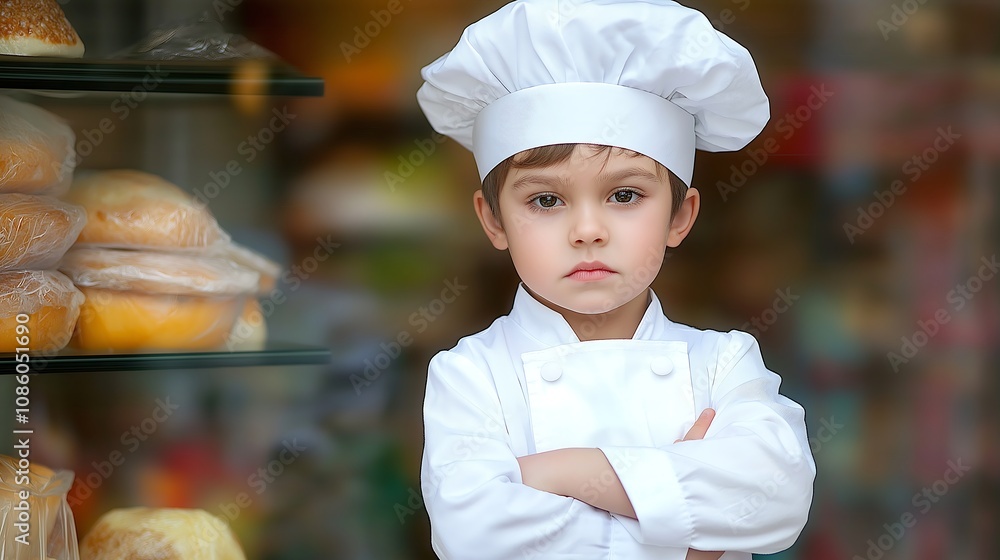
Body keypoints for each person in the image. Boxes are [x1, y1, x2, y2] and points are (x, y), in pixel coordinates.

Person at [415, 1, 816, 558]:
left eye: (624, 195)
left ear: (680, 216)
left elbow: (776, 497)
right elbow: (475, 534)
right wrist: (683, 530)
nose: (587, 230)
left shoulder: (723, 362)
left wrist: (558, 472)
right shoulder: (469, 375)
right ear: (492, 219)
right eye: (546, 199)